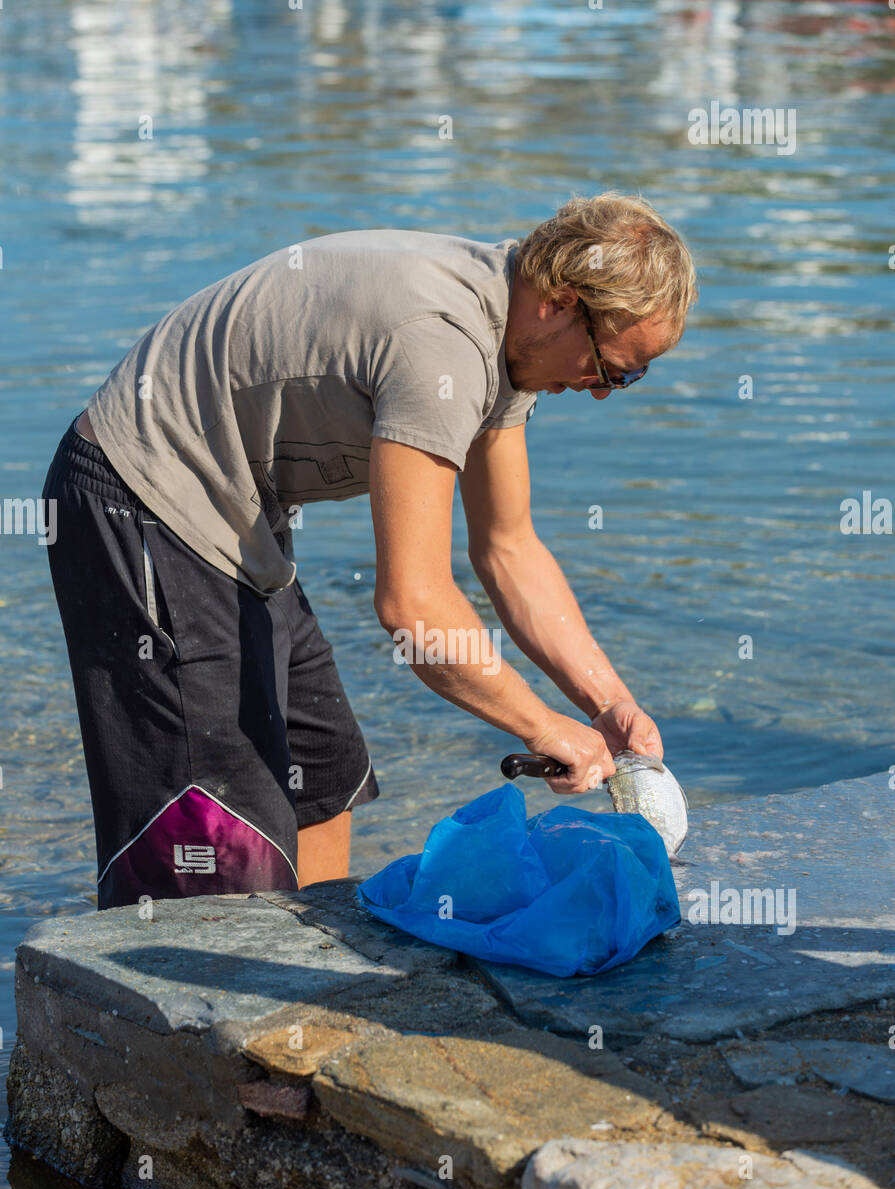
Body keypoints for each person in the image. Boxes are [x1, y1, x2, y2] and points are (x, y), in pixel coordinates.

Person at [42, 191, 696, 908]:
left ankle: (317, 984)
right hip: (139, 494)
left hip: (235, 516)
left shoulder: (511, 335)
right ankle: (197, 991)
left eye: (629, 379)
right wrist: (543, 728)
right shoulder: (440, 344)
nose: (603, 393)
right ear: (560, 302)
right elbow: (412, 605)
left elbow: (507, 549)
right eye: (611, 370)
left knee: (321, 773)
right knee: (219, 819)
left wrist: (608, 709)